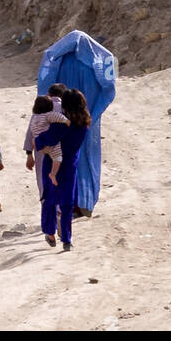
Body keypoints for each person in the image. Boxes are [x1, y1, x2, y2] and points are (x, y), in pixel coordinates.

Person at [38, 32, 116, 217]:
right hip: (88, 122)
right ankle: (86, 203)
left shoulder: (57, 60)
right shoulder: (100, 61)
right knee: (88, 159)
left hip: (63, 123)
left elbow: (44, 87)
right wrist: (94, 115)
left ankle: (66, 205)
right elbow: (110, 89)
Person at [35, 88, 92, 252]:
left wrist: (37, 140)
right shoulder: (84, 124)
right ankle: (67, 239)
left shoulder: (61, 125)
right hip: (70, 166)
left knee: (50, 200)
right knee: (67, 202)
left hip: (51, 163)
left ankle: (50, 233)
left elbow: (44, 141)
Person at [24, 93, 66, 194]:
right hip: (60, 152)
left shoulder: (38, 113)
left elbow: (30, 134)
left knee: (42, 181)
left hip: (41, 153)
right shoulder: (65, 109)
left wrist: (29, 154)